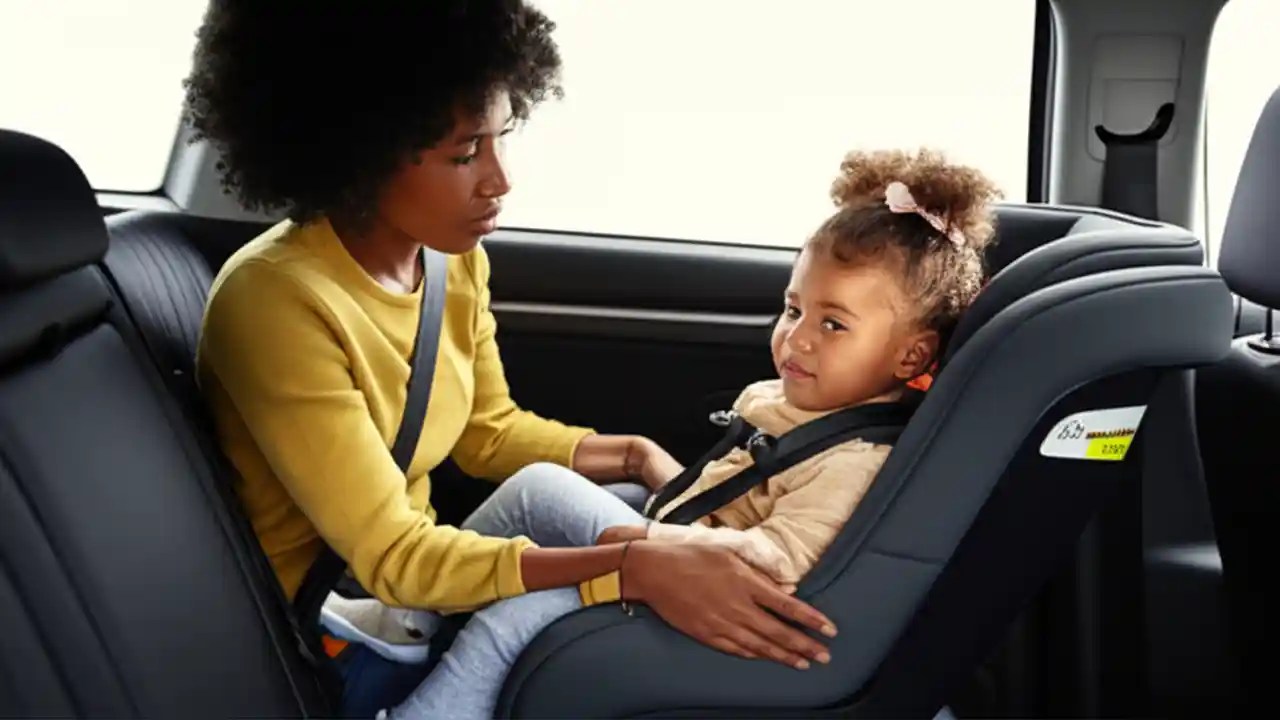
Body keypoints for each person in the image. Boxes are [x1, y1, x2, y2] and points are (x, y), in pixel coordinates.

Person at [183, 1, 835, 717]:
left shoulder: (449, 264)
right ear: (360, 153)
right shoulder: (277, 301)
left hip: (412, 603)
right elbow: (396, 556)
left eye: (501, 138)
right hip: (329, 633)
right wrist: (631, 565)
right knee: (592, 579)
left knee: (587, 502)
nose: (499, 179)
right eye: (465, 154)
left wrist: (636, 456)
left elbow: (487, 432)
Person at [376, 148, 1001, 719]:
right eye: (792, 309)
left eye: (834, 325)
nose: (798, 337)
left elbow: (777, 568)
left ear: (910, 358)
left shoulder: (855, 462)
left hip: (711, 597)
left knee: (518, 618)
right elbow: (728, 490)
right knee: (537, 488)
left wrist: (639, 542)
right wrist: (656, 491)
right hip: (687, 539)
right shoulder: (799, 405)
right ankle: (401, 620)